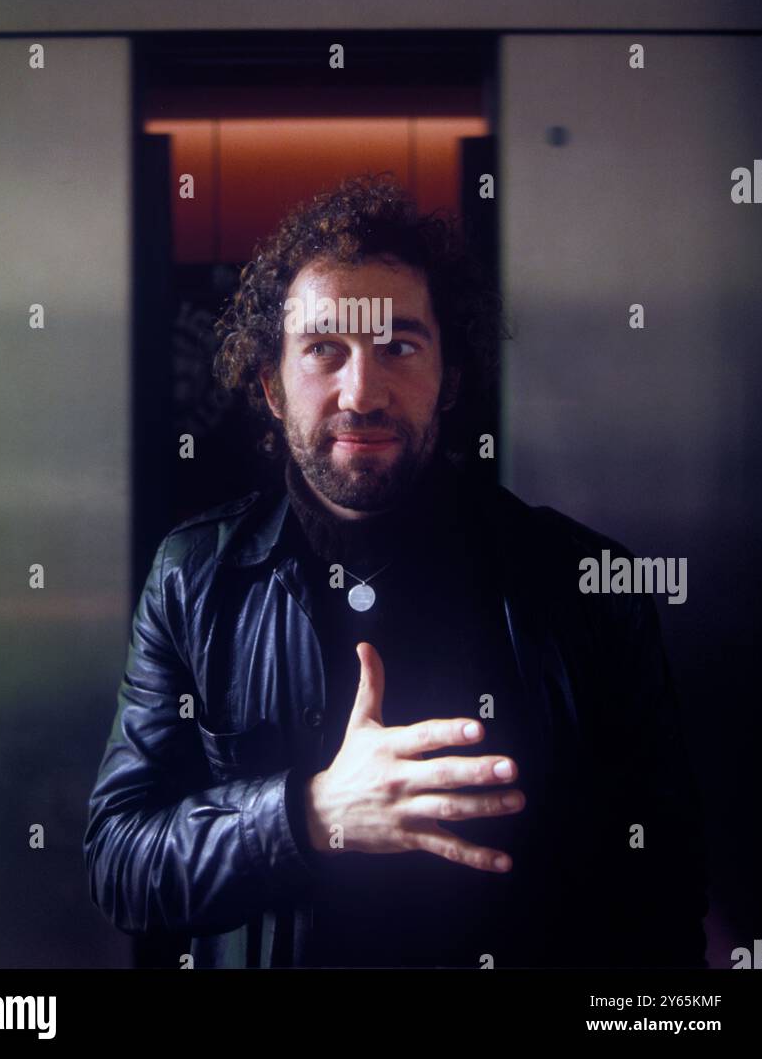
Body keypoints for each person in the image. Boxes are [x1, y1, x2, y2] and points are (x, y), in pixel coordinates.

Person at [83, 173, 708, 969]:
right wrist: (310, 814)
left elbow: (663, 899)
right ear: (272, 386)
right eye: (324, 350)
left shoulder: (586, 587)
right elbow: (120, 862)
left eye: (398, 347)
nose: (362, 391)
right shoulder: (195, 578)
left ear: (449, 377)